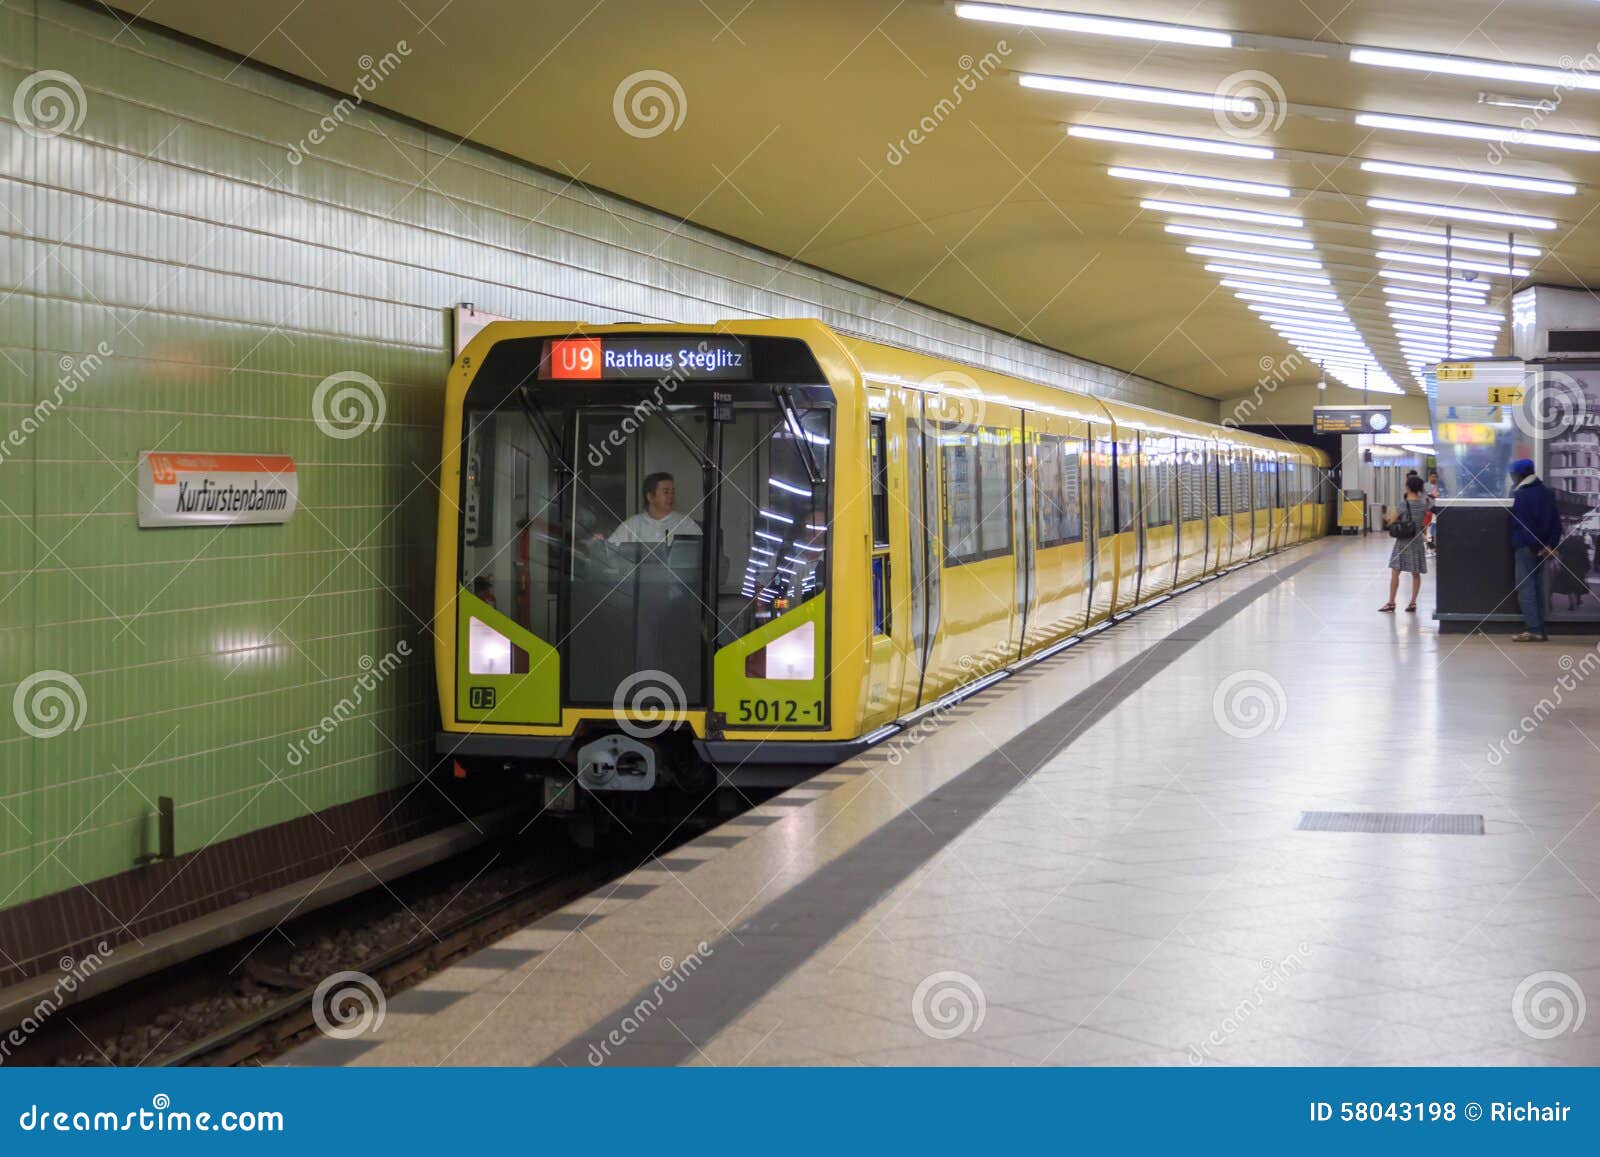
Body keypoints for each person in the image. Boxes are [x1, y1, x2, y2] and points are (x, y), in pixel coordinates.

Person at [1508, 458, 1561, 642]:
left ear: (1519, 475)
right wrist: (1549, 546)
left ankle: (1534, 629)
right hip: (1545, 548)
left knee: (1526, 588)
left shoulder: (1521, 495)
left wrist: (1538, 546)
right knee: (1539, 587)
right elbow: (1556, 522)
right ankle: (1541, 628)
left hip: (1526, 546)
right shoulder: (1547, 493)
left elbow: (1524, 525)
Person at [1380, 475, 1431, 613]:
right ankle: (1413, 603)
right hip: (1417, 542)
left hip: (1403, 542)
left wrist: (1385, 517)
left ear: (1408, 487)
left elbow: (1391, 520)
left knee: (1395, 572)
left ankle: (1391, 602)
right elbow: (1429, 514)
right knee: (1416, 574)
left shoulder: (1403, 504)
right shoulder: (1423, 504)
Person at [607, 472, 702, 544]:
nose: (671, 496)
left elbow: (702, 553)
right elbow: (610, 551)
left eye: (673, 492)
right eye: (666, 492)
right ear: (650, 497)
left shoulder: (686, 524)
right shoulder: (632, 525)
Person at [1553, 534, 1590, 610]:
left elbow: (1558, 551)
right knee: (1579, 584)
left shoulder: (1566, 543)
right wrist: (1587, 568)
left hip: (1567, 566)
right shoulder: (1581, 545)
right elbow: (1586, 558)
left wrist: (1560, 563)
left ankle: (1571, 603)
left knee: (1569, 586)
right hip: (1580, 567)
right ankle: (1579, 600)